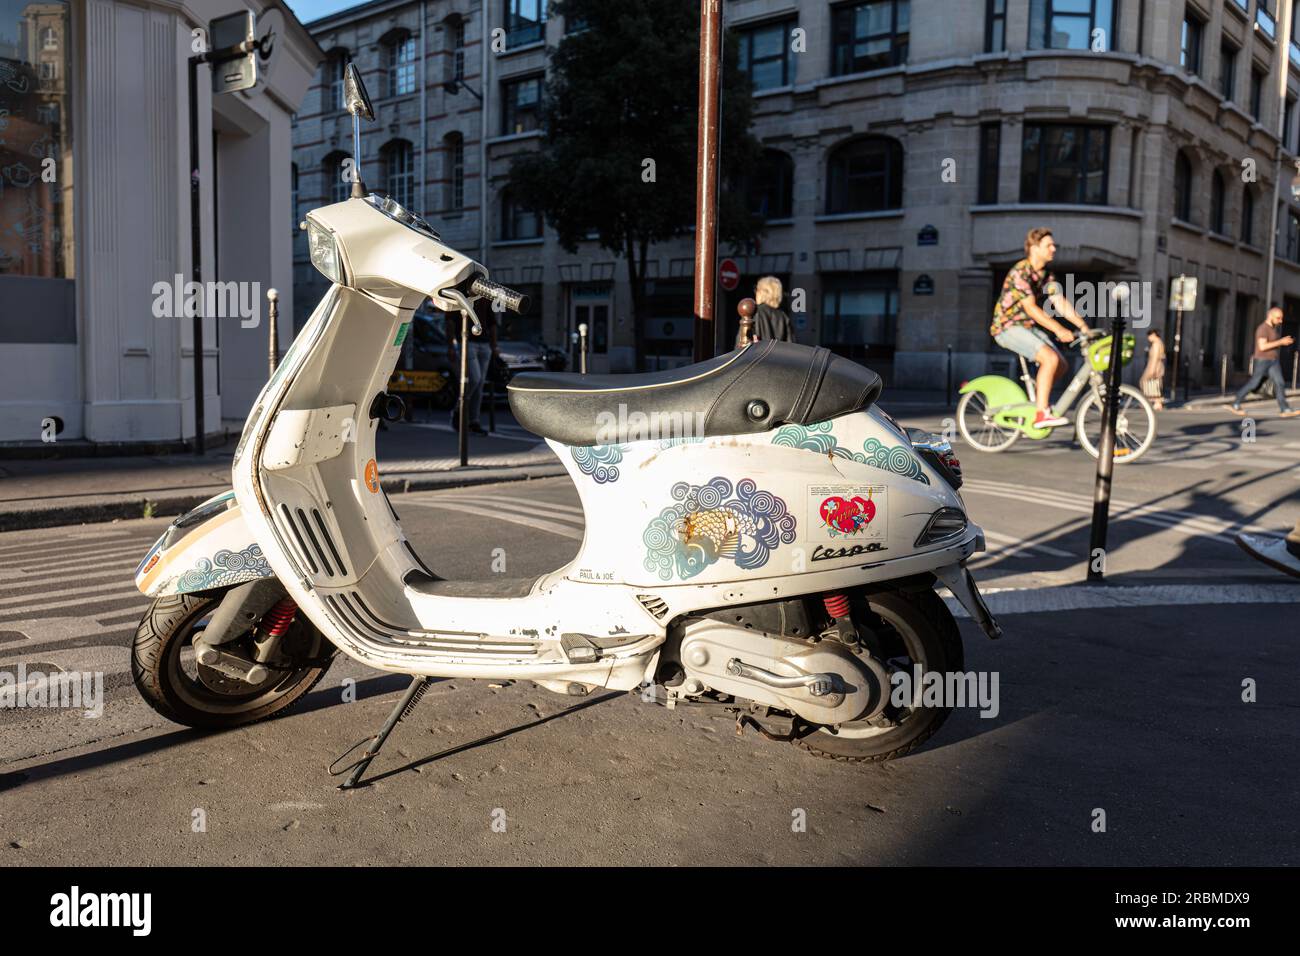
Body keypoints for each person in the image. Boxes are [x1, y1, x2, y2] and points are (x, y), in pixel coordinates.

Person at [990, 227, 1091, 428]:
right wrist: (1058, 329)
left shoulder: (1046, 275)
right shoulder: (1020, 272)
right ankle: (1041, 414)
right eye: (1049, 245)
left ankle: (1039, 397)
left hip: (1026, 327)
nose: (1054, 248)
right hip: (1007, 327)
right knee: (1050, 358)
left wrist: (1083, 326)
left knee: (1061, 365)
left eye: (1053, 245)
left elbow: (1059, 302)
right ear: (1035, 248)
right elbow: (1032, 308)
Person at [1229, 306, 1299, 418]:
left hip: (1273, 361)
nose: (1280, 321)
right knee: (1254, 383)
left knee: (1280, 383)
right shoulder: (1263, 328)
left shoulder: (1273, 329)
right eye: (1278, 318)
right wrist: (1280, 342)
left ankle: (1284, 408)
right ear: (1270, 316)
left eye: (1281, 318)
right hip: (1263, 360)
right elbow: (1262, 346)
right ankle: (1236, 403)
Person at [446, 297, 498, 434]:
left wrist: (494, 345)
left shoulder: (485, 295)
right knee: (475, 379)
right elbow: (449, 321)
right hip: (467, 341)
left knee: (479, 384)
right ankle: (458, 410)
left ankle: (474, 421)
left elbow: (492, 322)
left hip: (484, 343)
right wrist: (451, 345)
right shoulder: (460, 295)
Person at [736, 275, 795, 347]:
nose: (756, 293)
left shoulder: (753, 312)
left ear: (763, 292)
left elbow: (740, 347)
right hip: (777, 358)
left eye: (757, 289)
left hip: (758, 357)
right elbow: (791, 346)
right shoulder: (783, 316)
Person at [1140, 329, 1166, 411]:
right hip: (1157, 366)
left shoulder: (1156, 344)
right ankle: (1157, 403)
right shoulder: (1160, 343)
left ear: (1154, 335)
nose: (1148, 338)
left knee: (1145, 382)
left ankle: (1153, 402)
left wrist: (1152, 370)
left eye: (1149, 335)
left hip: (1154, 366)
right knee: (1155, 384)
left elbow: (1155, 358)